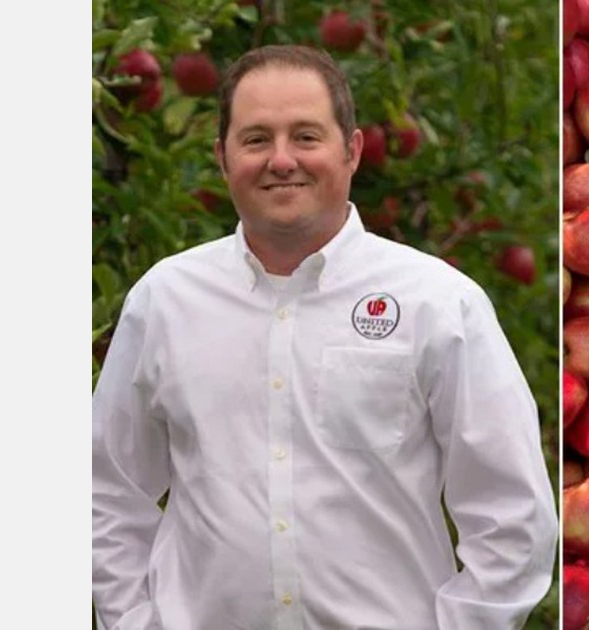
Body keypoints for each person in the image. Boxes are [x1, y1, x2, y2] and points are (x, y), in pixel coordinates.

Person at [92, 45, 558, 630]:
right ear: (222, 156)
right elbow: (106, 489)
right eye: (256, 139)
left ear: (353, 150)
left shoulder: (439, 304)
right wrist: (133, 620)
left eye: (306, 137)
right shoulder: (164, 302)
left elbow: (512, 513)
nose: (281, 159)